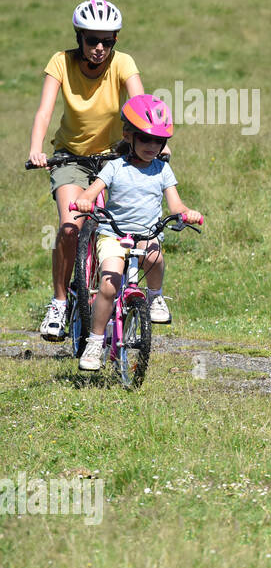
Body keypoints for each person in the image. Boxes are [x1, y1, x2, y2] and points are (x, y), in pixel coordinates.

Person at [28, 0, 144, 340]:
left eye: (107, 41)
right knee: (68, 228)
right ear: (79, 37)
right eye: (92, 39)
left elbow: (139, 103)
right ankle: (60, 303)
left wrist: (155, 141)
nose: (99, 48)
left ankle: (119, 303)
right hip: (71, 158)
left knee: (121, 230)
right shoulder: (60, 62)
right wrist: (37, 150)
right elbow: (45, 112)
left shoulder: (123, 63)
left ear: (115, 41)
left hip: (114, 158)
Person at [73, 96, 202, 371]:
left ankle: (155, 297)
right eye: (145, 139)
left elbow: (175, 203)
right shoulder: (116, 166)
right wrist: (84, 200)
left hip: (146, 234)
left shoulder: (163, 170)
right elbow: (92, 191)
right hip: (113, 235)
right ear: (128, 136)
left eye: (158, 141)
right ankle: (95, 342)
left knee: (155, 259)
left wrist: (184, 212)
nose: (152, 147)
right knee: (108, 286)